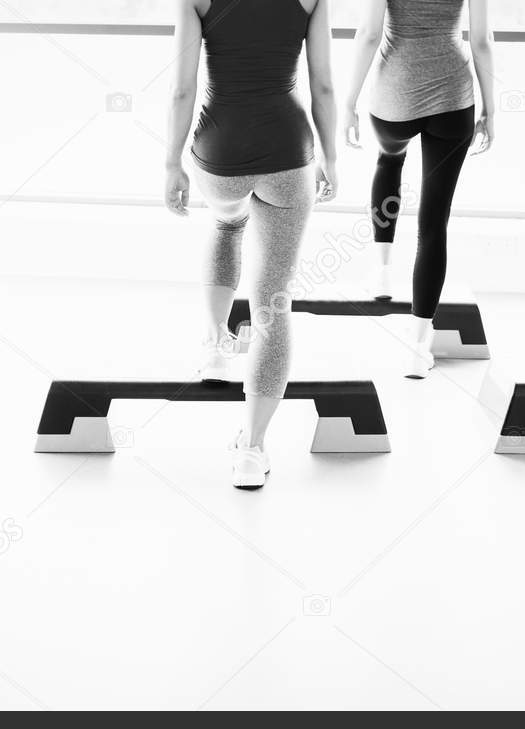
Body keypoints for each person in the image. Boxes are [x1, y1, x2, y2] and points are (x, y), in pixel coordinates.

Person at [164, 0, 339, 490]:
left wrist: (170, 163)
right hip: (289, 152)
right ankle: (251, 449)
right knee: (271, 302)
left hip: (220, 153)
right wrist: (331, 157)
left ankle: (216, 343)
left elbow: (182, 89)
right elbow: (323, 86)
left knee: (226, 224)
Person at [342, 0, 495, 378]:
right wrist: (492, 109)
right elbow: (481, 41)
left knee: (389, 160)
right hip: (452, 101)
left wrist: (347, 103)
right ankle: (416, 348)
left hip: (395, 95)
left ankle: (381, 271)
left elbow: (370, 34)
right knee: (433, 223)